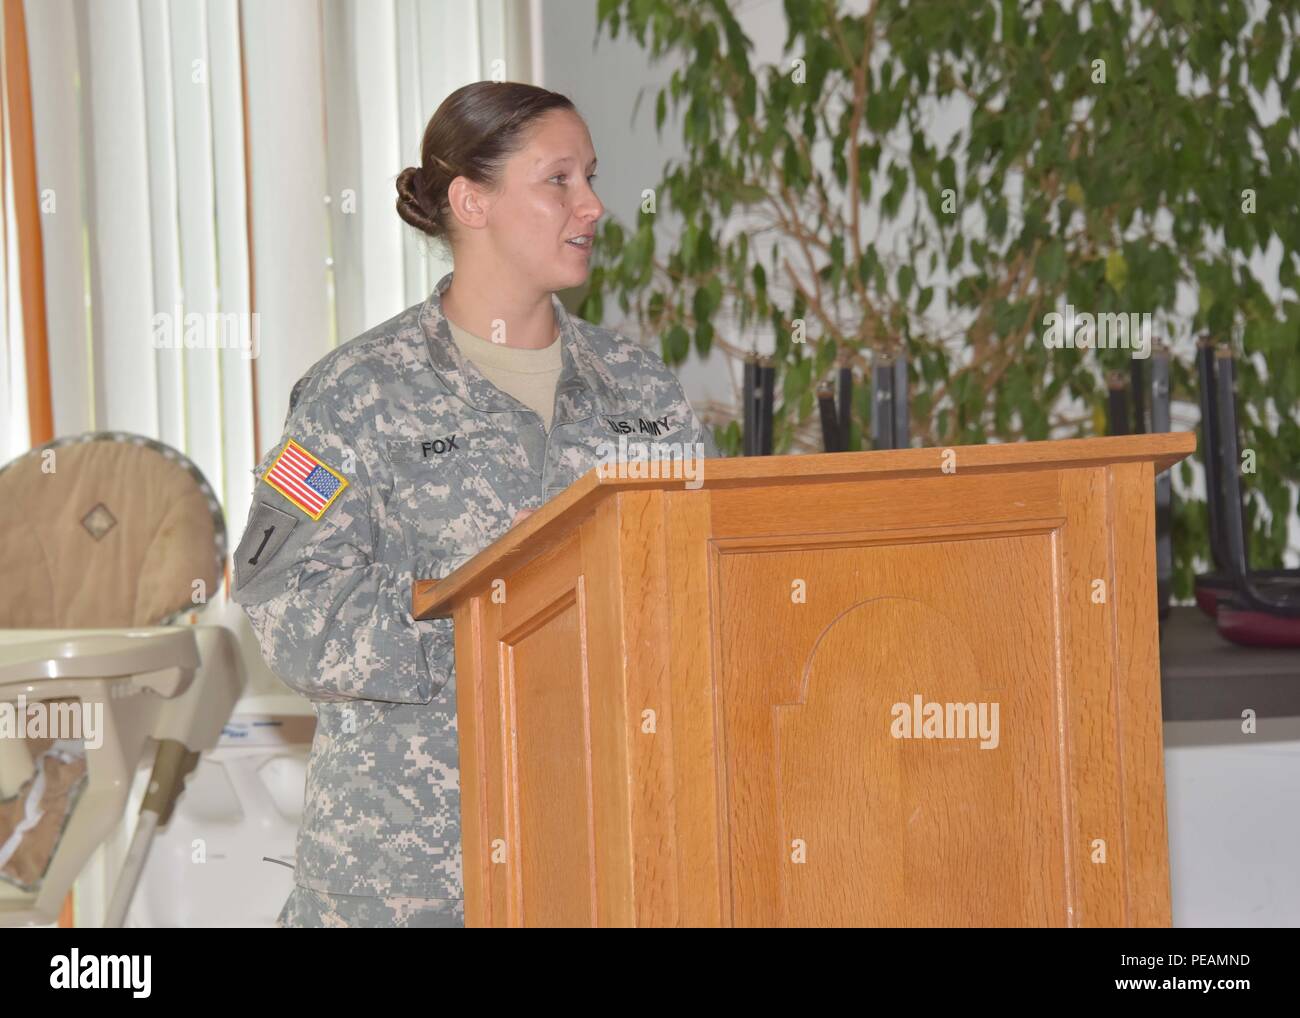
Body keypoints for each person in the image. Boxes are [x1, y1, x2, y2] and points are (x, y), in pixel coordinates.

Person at [230, 81, 719, 928]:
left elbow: (693, 586)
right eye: (558, 180)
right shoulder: (354, 394)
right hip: (411, 878)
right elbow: (287, 602)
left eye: (591, 178)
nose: (594, 206)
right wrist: (495, 632)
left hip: (605, 856)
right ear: (471, 200)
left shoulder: (641, 390)